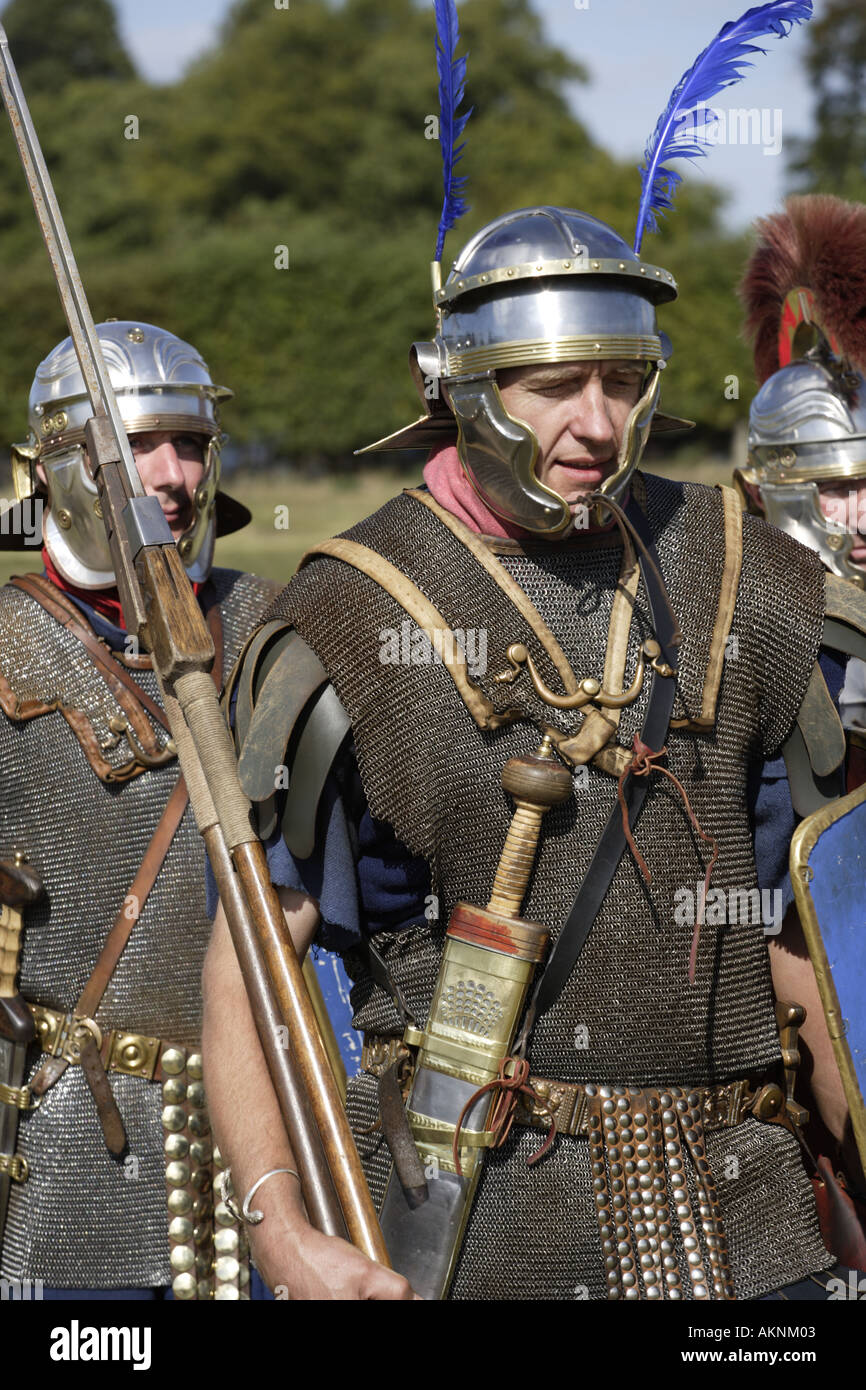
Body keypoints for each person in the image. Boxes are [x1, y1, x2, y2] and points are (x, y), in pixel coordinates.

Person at [202, 203, 866, 1301]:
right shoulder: (351, 614)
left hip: (740, 1206)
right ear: (466, 390)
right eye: (554, 386)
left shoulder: (747, 574)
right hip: (489, 1205)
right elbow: (255, 958)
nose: (598, 423)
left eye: (621, 380)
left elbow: (796, 921)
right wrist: (277, 1224)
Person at [0, 320, 279, 1299]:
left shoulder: (273, 625)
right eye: (135, 444)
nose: (171, 474)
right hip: (84, 1135)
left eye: (191, 443)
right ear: (61, 464)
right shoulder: (6, 648)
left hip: (279, 1147)